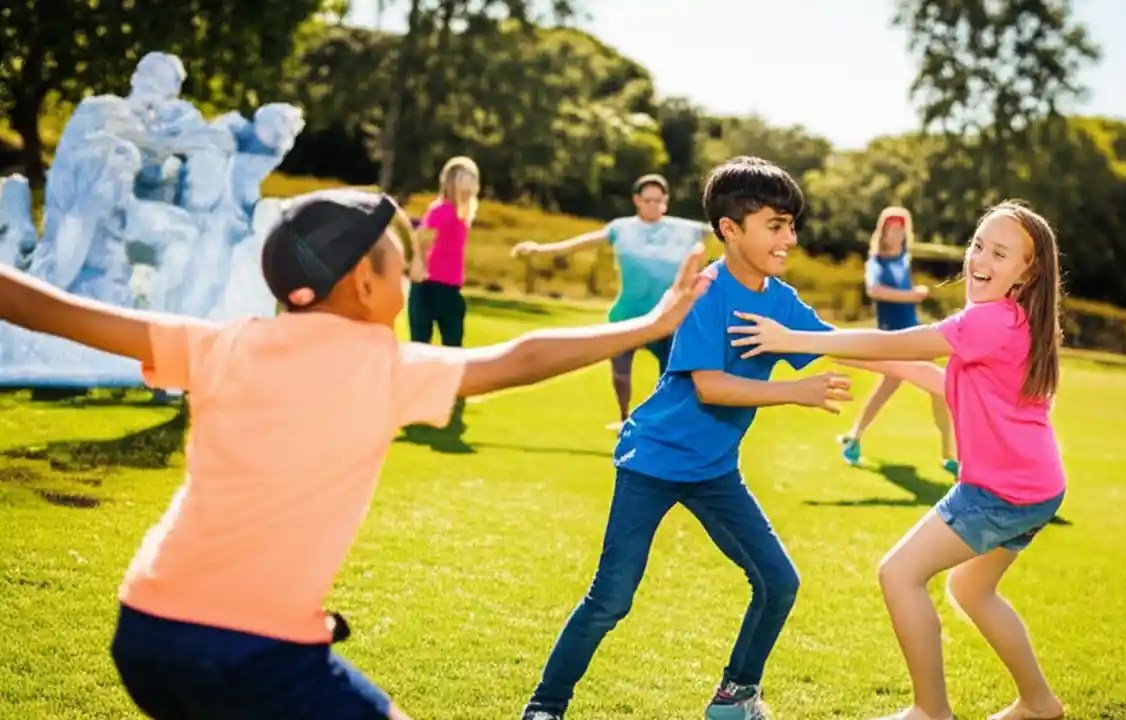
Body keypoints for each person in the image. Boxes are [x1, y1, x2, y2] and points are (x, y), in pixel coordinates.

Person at [0, 187, 712, 720]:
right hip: (256, 652)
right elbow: (522, 357)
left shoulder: (219, 343)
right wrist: (650, 324)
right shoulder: (390, 369)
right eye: (401, 268)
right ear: (364, 283)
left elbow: (49, 310)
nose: (407, 280)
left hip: (147, 631)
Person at [521, 157, 852, 720]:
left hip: (713, 470)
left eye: (792, 225)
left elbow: (845, 342)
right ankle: (545, 707)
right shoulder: (707, 291)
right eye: (776, 225)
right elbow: (710, 387)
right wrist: (794, 391)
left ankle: (735, 696)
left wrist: (943, 352)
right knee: (612, 598)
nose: (789, 238)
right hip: (651, 461)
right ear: (730, 229)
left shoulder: (780, 299)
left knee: (778, 582)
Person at [727, 200, 1068, 720]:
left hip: (1001, 493)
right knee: (971, 589)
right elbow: (932, 377)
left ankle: (931, 712)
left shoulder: (988, 322)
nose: (981, 258)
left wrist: (793, 338)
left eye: (1000, 253)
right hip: (1037, 490)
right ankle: (1038, 703)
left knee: (899, 574)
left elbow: (897, 341)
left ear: (1029, 271)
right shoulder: (1016, 322)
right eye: (978, 245)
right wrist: (826, 347)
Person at [511, 174, 712, 429]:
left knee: (672, 375)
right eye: (647, 200)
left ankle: (663, 422)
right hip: (627, 314)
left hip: (670, 317)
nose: (653, 205)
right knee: (620, 372)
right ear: (637, 200)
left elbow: (727, 231)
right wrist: (540, 250)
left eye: (658, 200)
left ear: (666, 201)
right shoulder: (621, 228)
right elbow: (581, 243)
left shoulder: (687, 229)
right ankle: (624, 418)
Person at [839, 206, 957, 477]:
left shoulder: (903, 257)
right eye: (891, 229)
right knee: (890, 388)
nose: (896, 234)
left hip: (914, 334)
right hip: (892, 337)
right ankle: (854, 439)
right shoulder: (876, 263)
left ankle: (950, 455)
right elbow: (874, 291)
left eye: (900, 230)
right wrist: (912, 295)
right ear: (883, 232)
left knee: (939, 388)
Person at [409, 156, 479, 347]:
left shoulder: (461, 214)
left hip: (450, 288)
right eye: (466, 183)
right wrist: (419, 268)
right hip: (430, 286)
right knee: (421, 345)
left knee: (453, 346)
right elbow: (422, 239)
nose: (470, 190)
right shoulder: (442, 209)